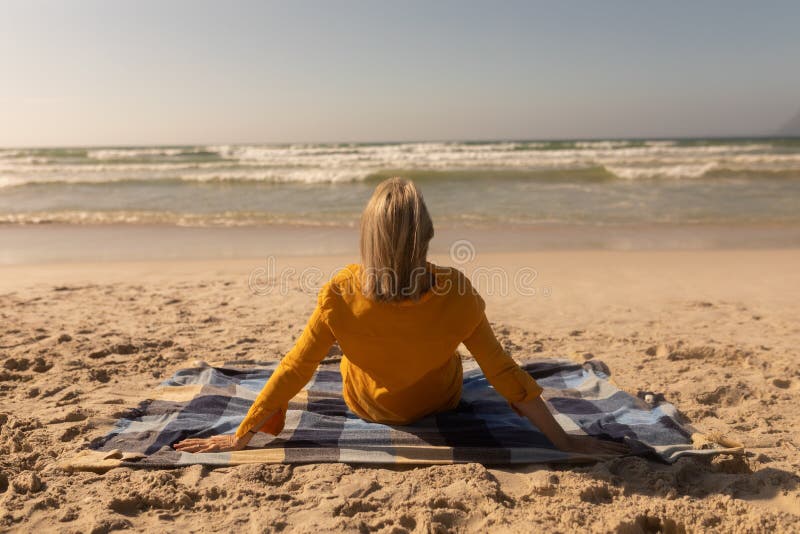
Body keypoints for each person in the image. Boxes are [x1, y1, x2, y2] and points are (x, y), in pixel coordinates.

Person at [174, 178, 628, 456]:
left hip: (368, 406)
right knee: (457, 358)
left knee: (341, 357)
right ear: (428, 233)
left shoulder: (339, 292)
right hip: (439, 401)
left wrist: (243, 433)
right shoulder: (457, 292)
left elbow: (298, 367)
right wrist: (562, 439)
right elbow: (501, 371)